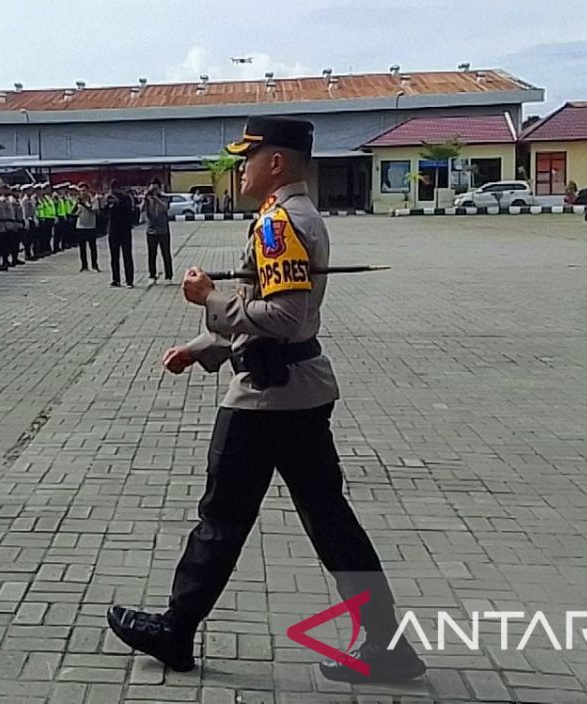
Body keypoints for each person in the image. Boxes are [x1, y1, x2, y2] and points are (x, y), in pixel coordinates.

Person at [106, 117, 425, 684]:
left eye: (248, 158)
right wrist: (204, 346)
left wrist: (209, 300)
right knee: (331, 521)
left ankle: (176, 630)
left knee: (222, 519)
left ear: (275, 162)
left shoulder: (280, 224)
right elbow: (267, 310)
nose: (241, 168)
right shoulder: (289, 217)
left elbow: (284, 318)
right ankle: (386, 643)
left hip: (266, 398)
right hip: (296, 390)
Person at [104, 179, 137, 288]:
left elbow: (130, 212)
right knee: (114, 257)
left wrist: (118, 203)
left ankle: (129, 280)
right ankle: (116, 279)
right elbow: (104, 213)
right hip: (113, 229)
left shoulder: (126, 198)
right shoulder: (109, 198)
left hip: (124, 229)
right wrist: (106, 204)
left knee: (127, 255)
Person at [143, 179, 174, 282]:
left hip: (163, 230)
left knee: (166, 253)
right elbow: (141, 209)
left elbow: (165, 208)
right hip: (151, 230)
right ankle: (152, 274)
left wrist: (156, 198)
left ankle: (168, 275)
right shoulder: (148, 198)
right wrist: (145, 198)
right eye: (153, 188)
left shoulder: (165, 198)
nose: (154, 190)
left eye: (156, 188)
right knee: (152, 254)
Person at [75, 183, 100, 272]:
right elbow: (73, 211)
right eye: (81, 191)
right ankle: (84, 265)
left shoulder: (93, 200)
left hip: (91, 226)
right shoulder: (78, 200)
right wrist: (76, 206)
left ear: (88, 191)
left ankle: (94, 265)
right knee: (82, 247)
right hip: (80, 226)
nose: (82, 193)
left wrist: (85, 204)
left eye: (84, 190)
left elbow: (95, 211)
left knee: (92, 247)